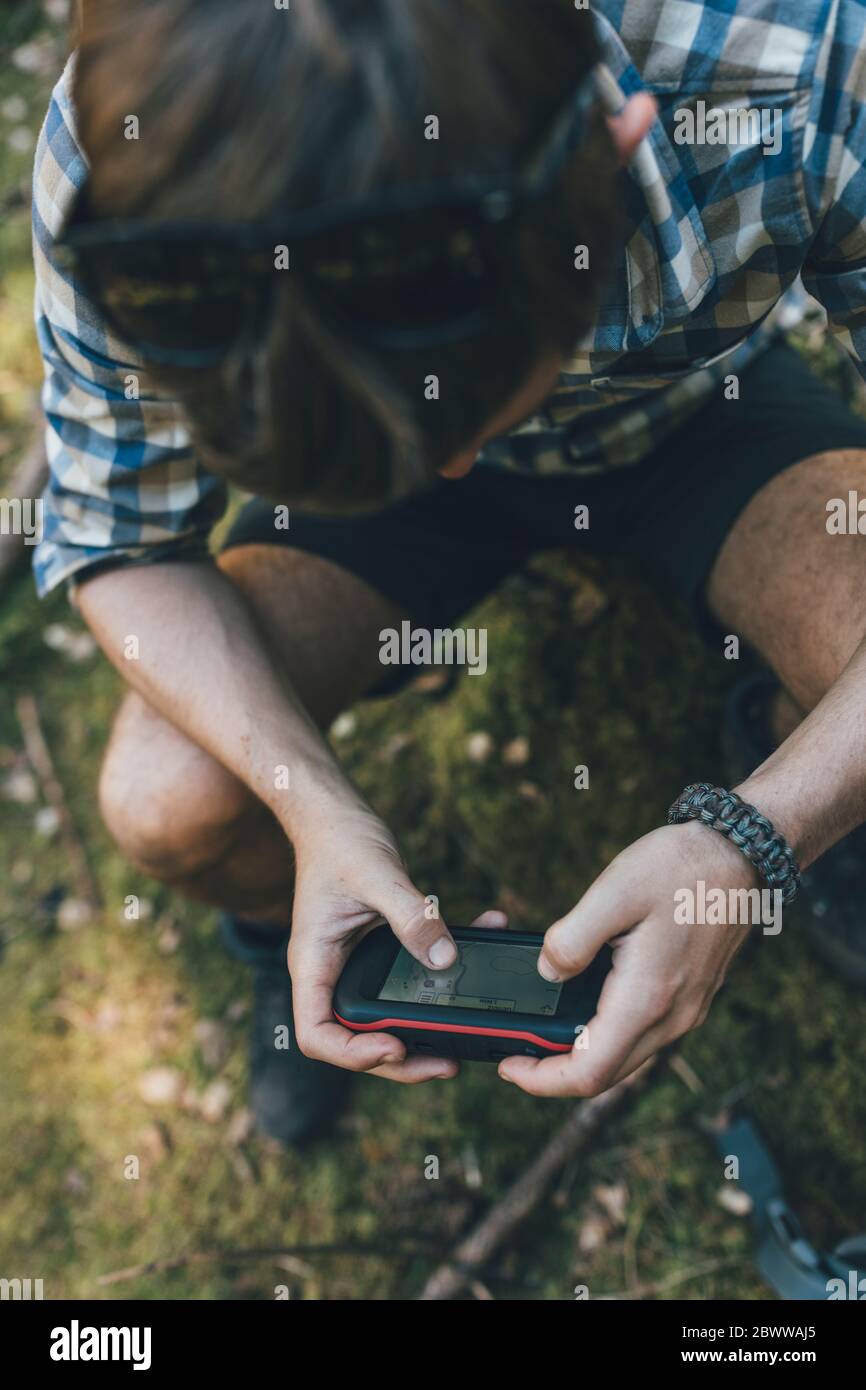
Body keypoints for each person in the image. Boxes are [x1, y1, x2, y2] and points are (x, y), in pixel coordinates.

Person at [31, 0, 866, 1143]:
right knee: (169, 799)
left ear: (617, 139)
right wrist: (306, 804)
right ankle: (308, 930)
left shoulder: (805, 65)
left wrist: (752, 837)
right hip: (380, 508)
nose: (464, 460)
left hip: (702, 419)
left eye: (468, 416)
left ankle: (790, 742)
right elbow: (118, 543)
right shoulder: (142, 169)